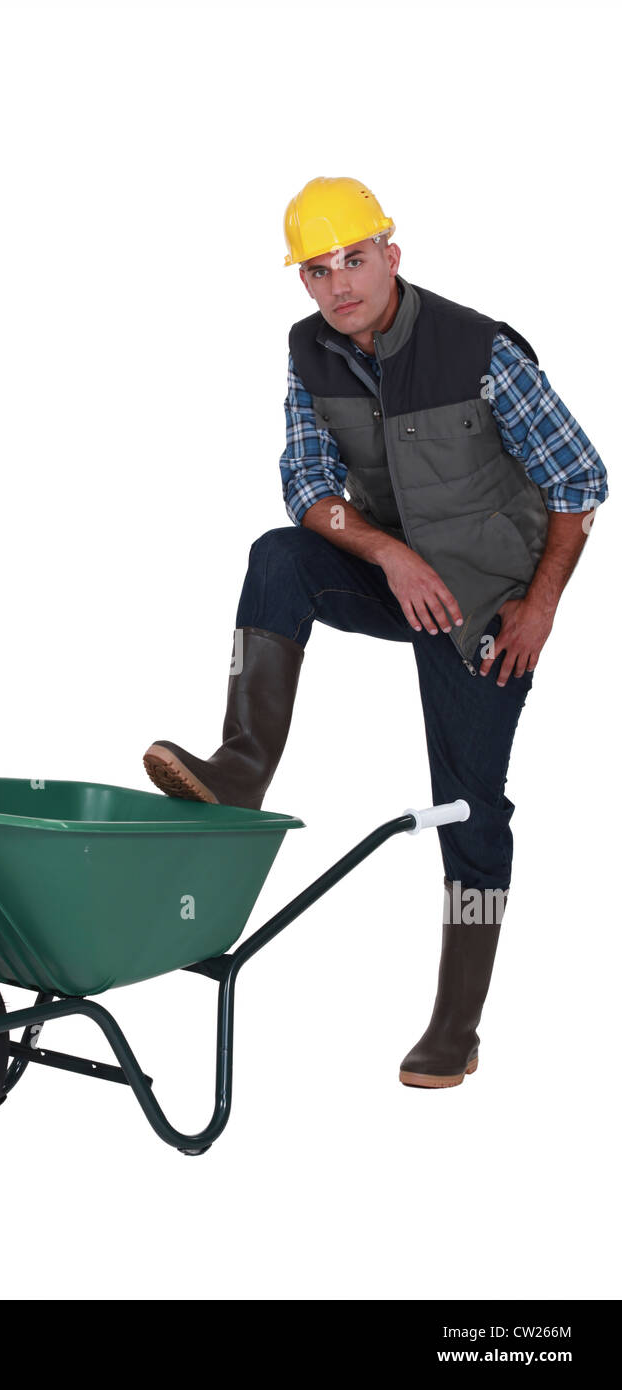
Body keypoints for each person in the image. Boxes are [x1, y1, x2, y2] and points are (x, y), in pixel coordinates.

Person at [143, 176, 608, 1088]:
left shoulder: (479, 348)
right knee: (279, 556)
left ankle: (456, 1023)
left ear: (392, 256)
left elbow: (579, 480)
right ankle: (238, 771)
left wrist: (541, 608)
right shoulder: (307, 351)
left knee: (469, 806)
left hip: (487, 606)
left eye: (354, 260)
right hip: (402, 576)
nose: (338, 285)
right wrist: (390, 557)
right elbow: (306, 483)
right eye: (317, 270)